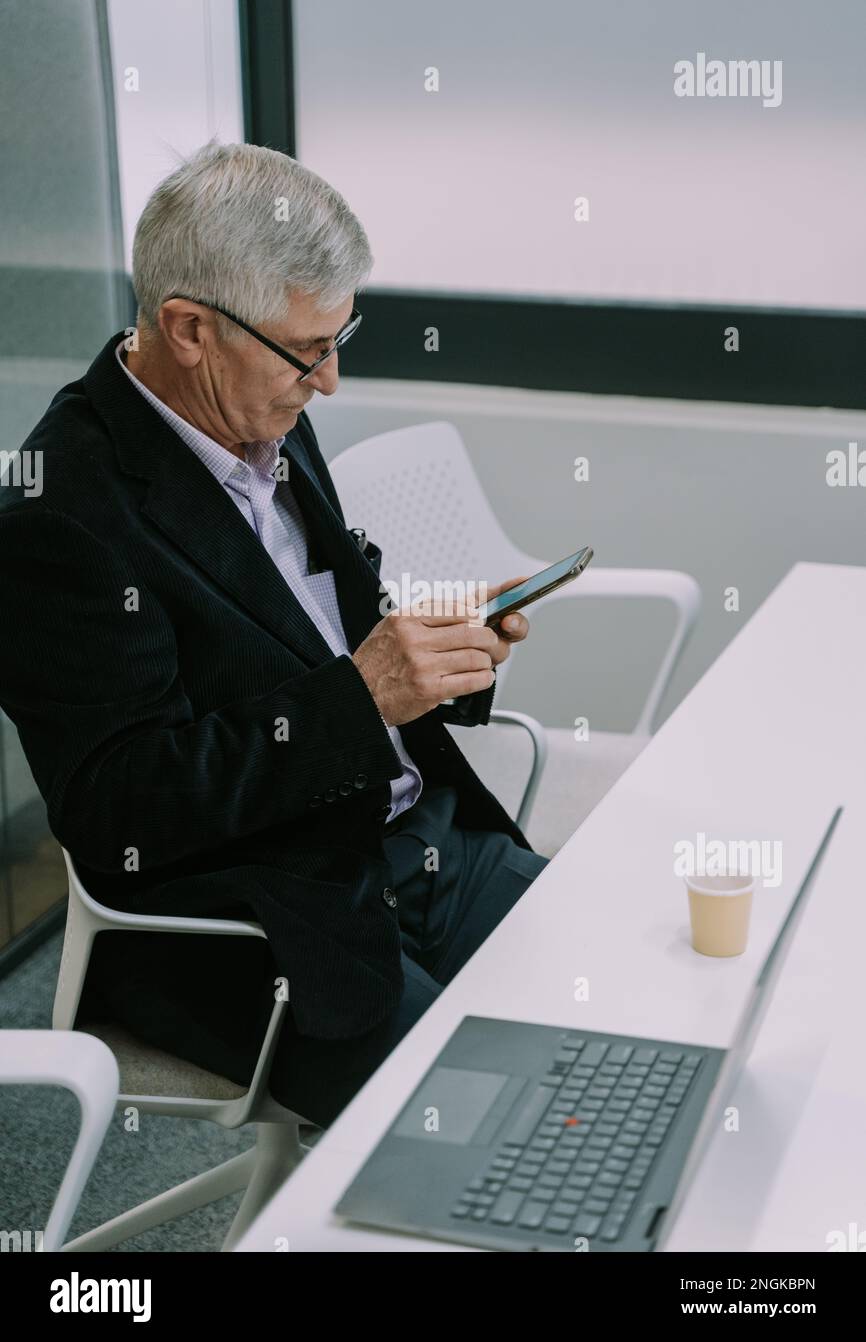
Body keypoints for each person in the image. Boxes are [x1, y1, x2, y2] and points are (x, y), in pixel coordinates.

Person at [0, 142, 547, 1128]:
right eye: (309, 350)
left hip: (420, 841)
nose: (329, 380)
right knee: (482, 1127)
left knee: (631, 1003)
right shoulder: (60, 516)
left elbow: (312, 638)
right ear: (188, 328)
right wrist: (365, 695)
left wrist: (443, 659)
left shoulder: (267, 408)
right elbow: (120, 812)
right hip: (265, 925)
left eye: (340, 339)